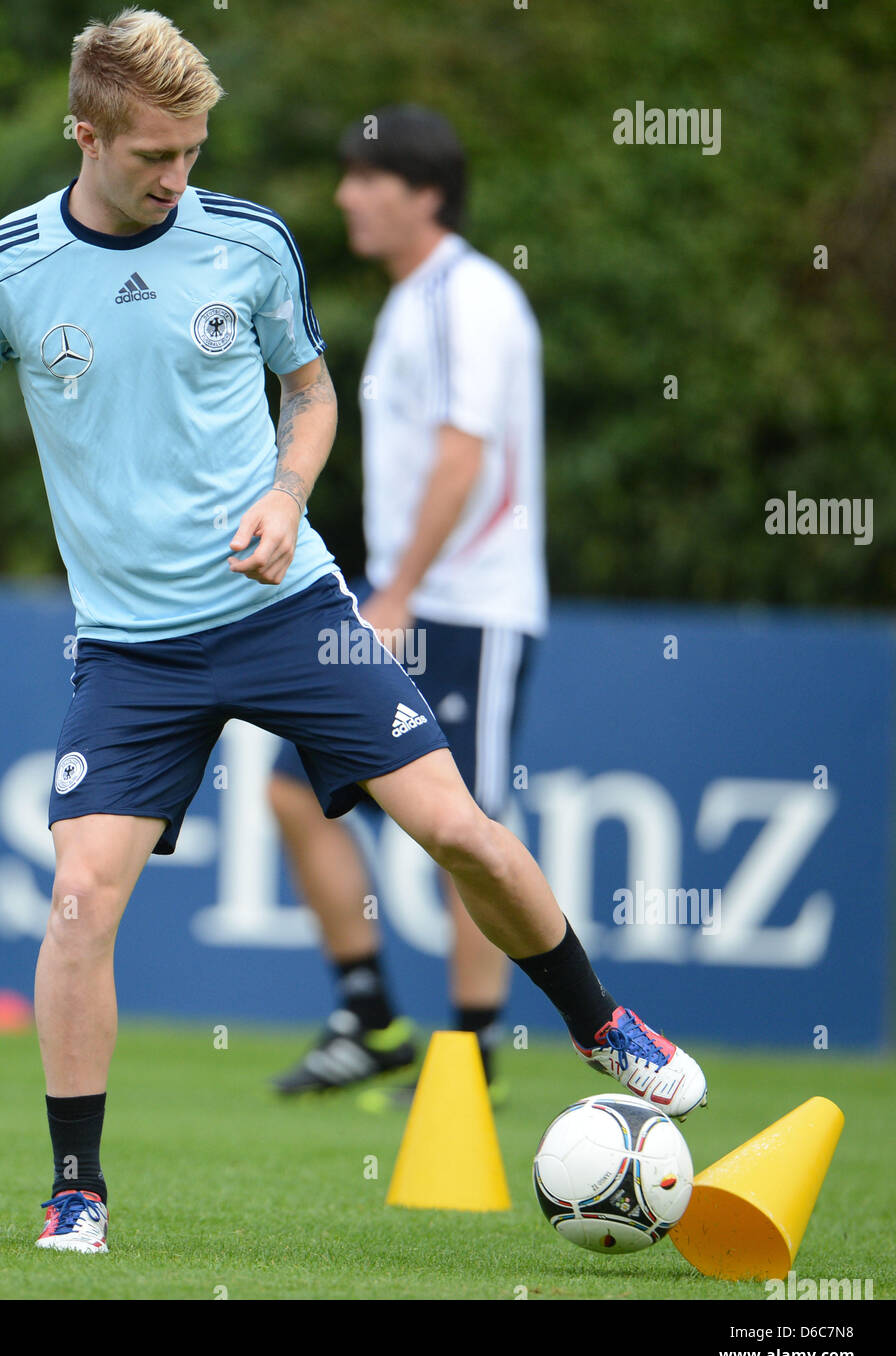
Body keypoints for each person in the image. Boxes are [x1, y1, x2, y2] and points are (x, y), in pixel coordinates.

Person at [0, 9, 706, 1256]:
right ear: (86, 134)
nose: (179, 177)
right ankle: (77, 1189)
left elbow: (311, 393)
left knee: (458, 830)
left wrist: (285, 494)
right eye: (153, 155)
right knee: (75, 903)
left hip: (290, 611)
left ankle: (601, 1021)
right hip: (129, 649)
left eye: (194, 151)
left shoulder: (251, 242)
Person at [269, 107, 547, 1107]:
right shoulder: (407, 302)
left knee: (458, 828)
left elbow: (464, 456)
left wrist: (394, 590)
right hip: (396, 602)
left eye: (364, 177)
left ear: (422, 192)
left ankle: (468, 1059)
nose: (345, 195)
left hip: (463, 608)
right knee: (293, 792)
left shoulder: (467, 297)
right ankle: (368, 1018)